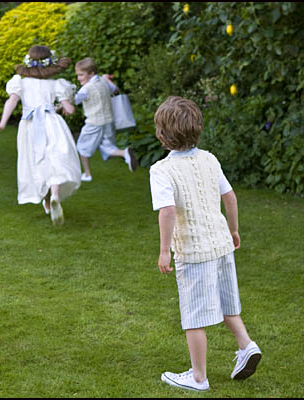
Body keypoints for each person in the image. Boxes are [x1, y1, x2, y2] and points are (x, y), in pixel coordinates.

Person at [149, 96, 261, 392]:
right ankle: (246, 345)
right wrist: (233, 230)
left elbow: (168, 210)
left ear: (162, 135)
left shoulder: (161, 170)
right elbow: (230, 197)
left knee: (194, 315)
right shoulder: (209, 158)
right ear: (197, 128)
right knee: (227, 302)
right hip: (221, 243)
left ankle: (198, 377)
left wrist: (164, 250)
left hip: (193, 250)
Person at [0, 45, 81, 226]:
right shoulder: (56, 84)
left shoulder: (20, 82)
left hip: (29, 126)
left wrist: (2, 123)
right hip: (51, 123)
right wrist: (68, 107)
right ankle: (53, 196)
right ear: (50, 63)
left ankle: (48, 199)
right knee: (56, 158)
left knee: (37, 161)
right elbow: (69, 108)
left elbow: (12, 100)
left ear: (28, 62)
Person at [73, 57, 138, 182]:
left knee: (82, 147)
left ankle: (87, 174)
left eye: (81, 75)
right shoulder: (103, 81)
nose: (78, 78)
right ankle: (125, 154)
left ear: (91, 73)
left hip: (93, 122)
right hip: (108, 121)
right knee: (107, 146)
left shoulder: (86, 89)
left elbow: (75, 101)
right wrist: (107, 79)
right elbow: (116, 90)